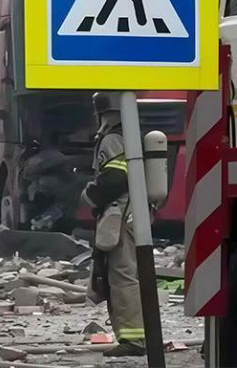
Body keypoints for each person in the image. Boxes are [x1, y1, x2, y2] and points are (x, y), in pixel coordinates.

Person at [82, 92, 145, 357]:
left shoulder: (112, 138)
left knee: (122, 278)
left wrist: (88, 195)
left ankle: (133, 340)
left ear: (101, 113)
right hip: (130, 215)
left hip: (121, 216)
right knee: (122, 276)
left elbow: (115, 177)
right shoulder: (126, 134)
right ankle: (132, 337)